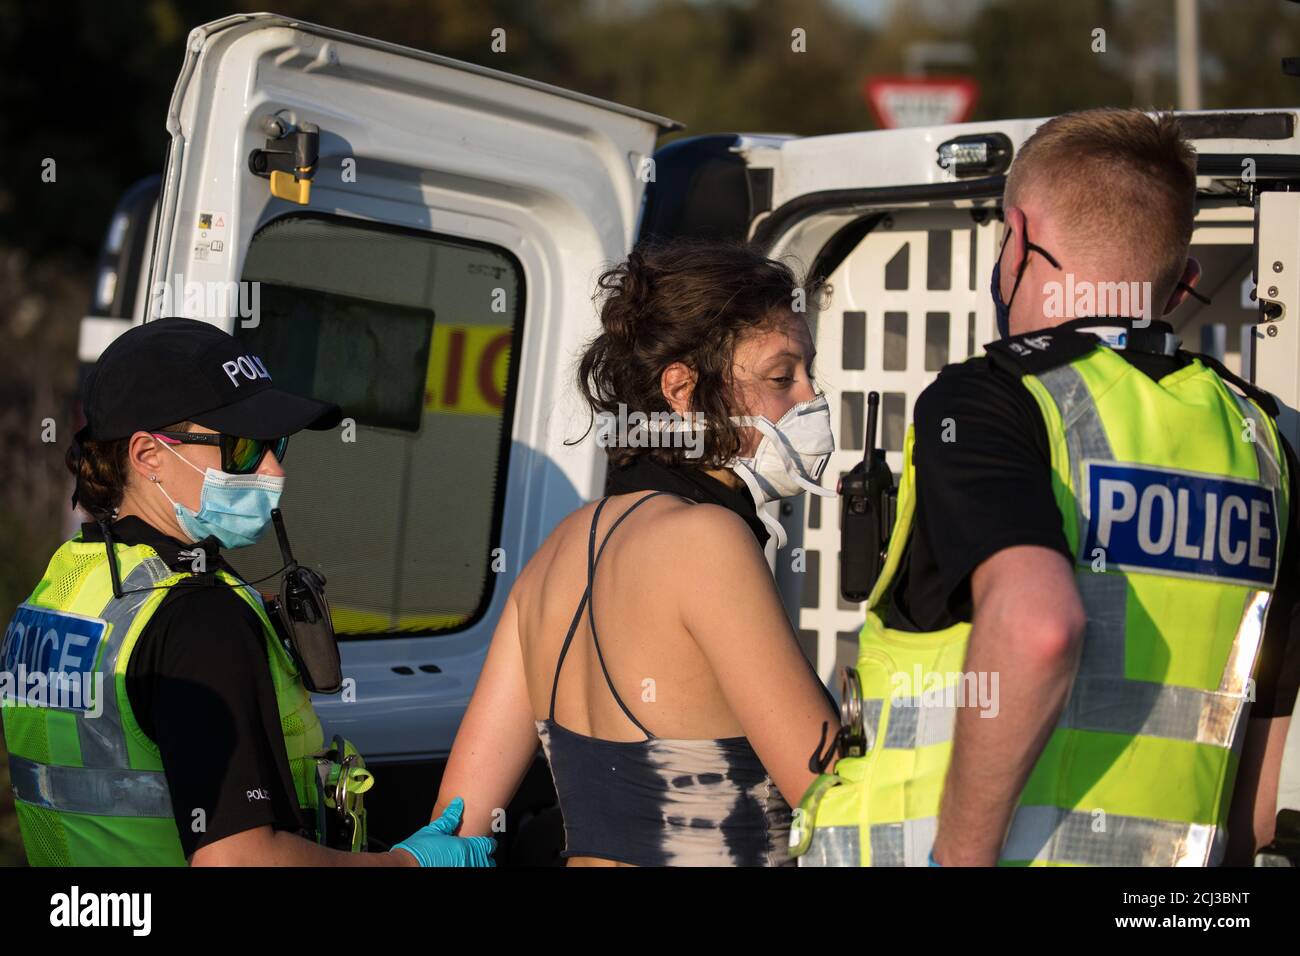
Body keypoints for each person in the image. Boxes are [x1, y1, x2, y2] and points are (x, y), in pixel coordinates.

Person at [795, 108, 1300, 867]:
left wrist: (957, 861)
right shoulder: (1267, 439)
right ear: (1183, 281)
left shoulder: (994, 398)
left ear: (1020, 238)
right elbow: (1255, 804)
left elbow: (1039, 628)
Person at [0, 317, 493, 867]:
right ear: (148, 456)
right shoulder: (198, 616)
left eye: (275, 443)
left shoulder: (63, 586)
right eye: (241, 448)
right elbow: (237, 862)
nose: (273, 469)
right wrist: (406, 866)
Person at [431, 240, 841, 866]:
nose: (811, 397)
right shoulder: (708, 541)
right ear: (682, 388)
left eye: (811, 373)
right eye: (782, 376)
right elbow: (829, 793)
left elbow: (454, 832)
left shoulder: (559, 547)